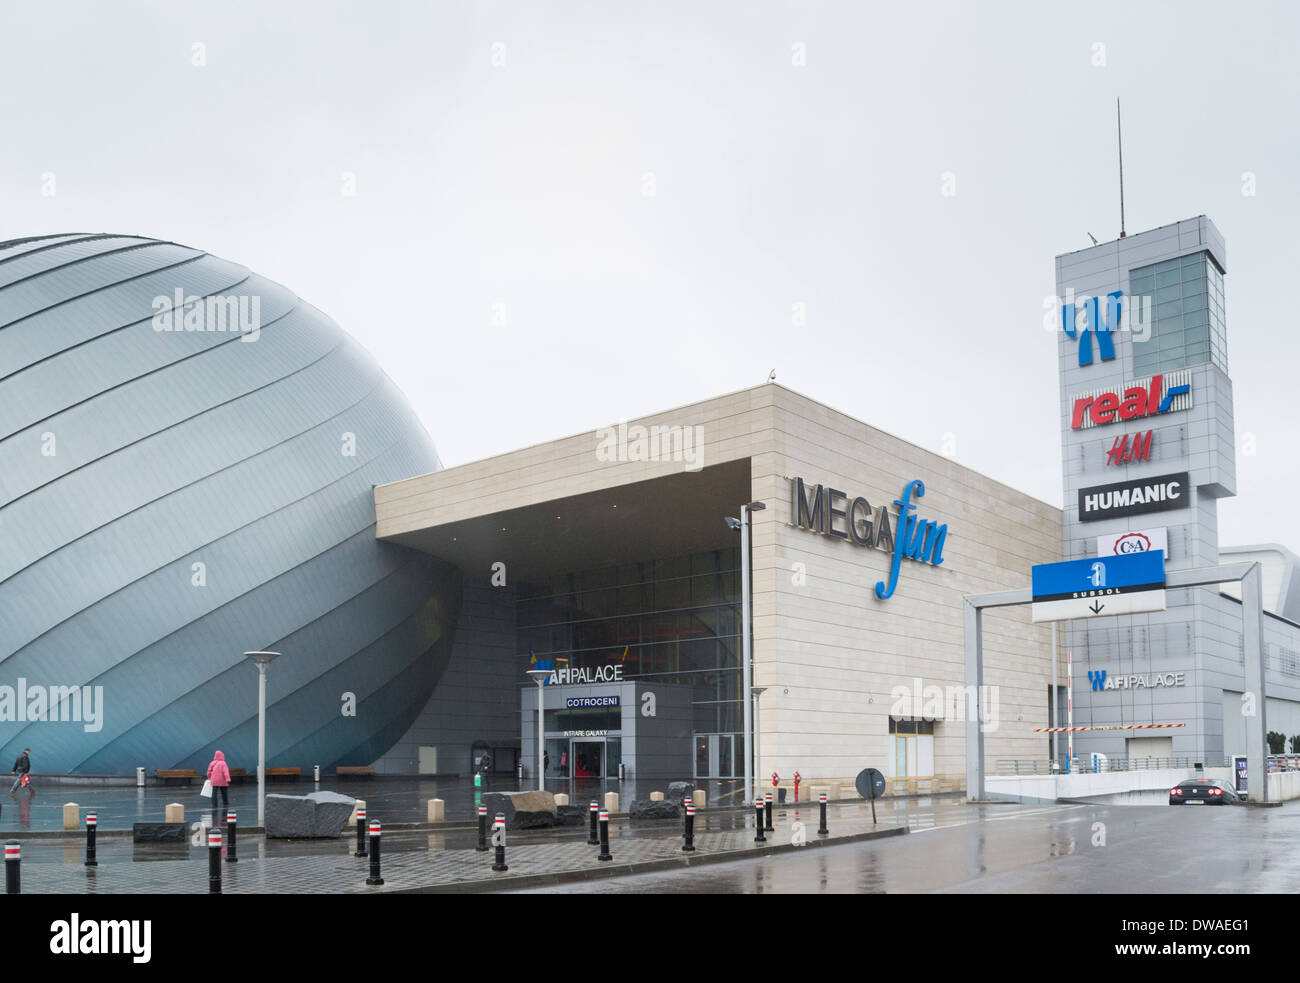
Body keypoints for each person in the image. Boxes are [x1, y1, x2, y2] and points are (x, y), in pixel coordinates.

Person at [206, 750, 232, 824]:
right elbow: (226, 772)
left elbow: (208, 771)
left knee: (214, 793)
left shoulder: (212, 763)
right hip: (222, 780)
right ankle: (225, 802)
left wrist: (209, 778)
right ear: (222, 756)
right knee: (224, 792)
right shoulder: (223, 763)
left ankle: (214, 804)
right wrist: (228, 779)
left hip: (214, 780)